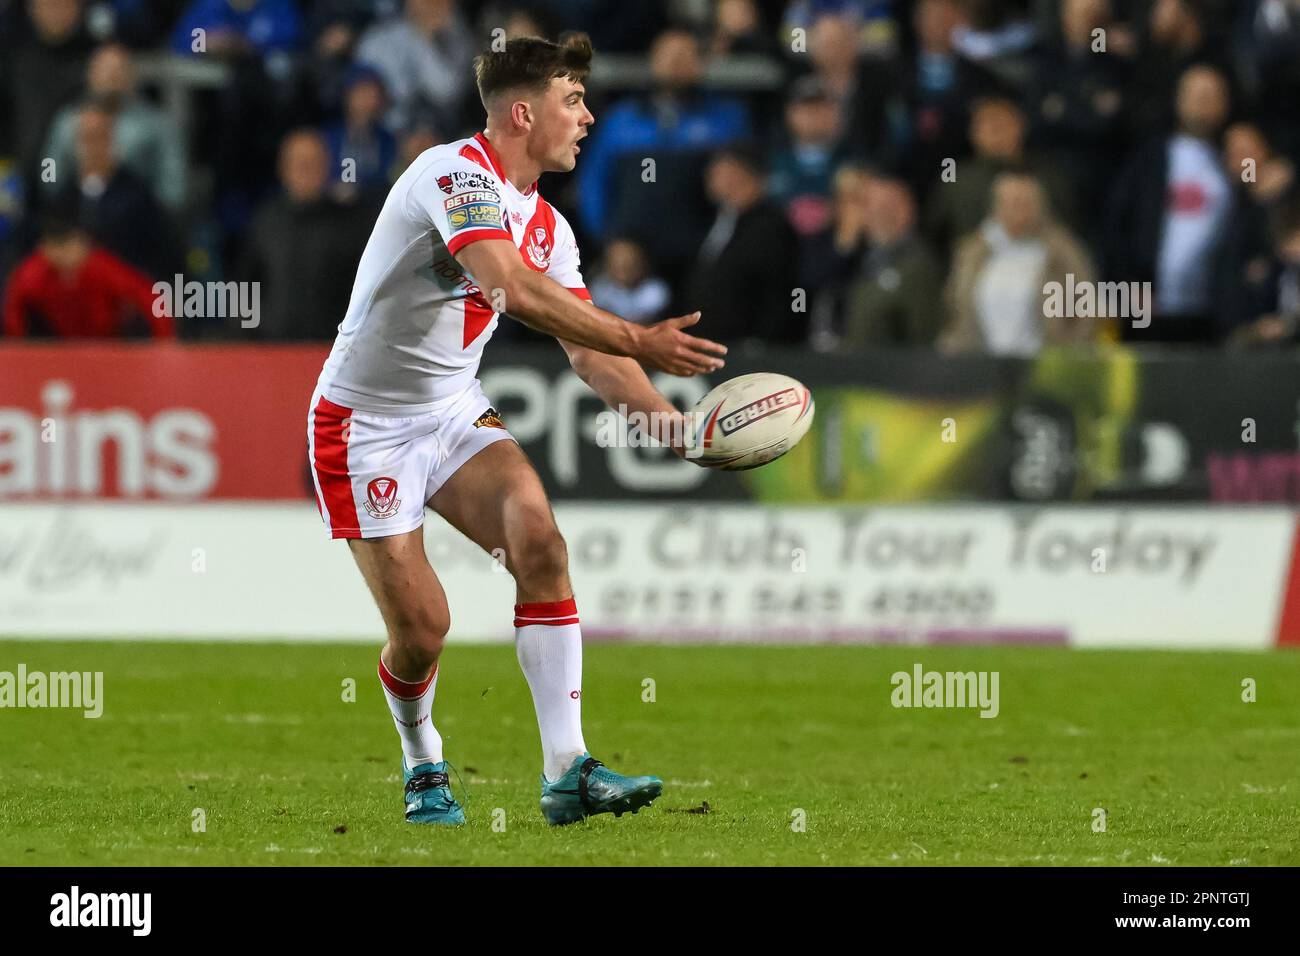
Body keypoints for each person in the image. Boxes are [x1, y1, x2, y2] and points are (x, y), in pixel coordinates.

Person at [307, 33, 727, 827]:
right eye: (573, 101)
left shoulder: (551, 227)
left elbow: (586, 349)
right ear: (524, 112)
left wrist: (674, 430)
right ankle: (423, 757)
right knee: (425, 630)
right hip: (364, 425)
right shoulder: (451, 172)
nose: (588, 117)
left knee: (540, 542)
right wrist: (640, 337)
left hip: (451, 409)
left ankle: (567, 770)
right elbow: (509, 288)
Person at [940, 170, 1099, 355]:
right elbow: (953, 307)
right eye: (1010, 203)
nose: (1018, 211)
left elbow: (1087, 308)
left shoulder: (1063, 252)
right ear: (995, 207)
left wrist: (1071, 354)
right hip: (982, 365)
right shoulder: (972, 252)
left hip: (1045, 365)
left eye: (1025, 203)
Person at [3, 217, 173, 338]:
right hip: (59, 347)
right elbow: (14, 306)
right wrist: (17, 344)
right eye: (56, 248)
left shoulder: (103, 269)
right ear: (44, 249)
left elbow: (149, 296)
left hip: (109, 345)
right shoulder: (34, 274)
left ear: (83, 245)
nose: (64, 256)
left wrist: (164, 340)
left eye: (69, 247)